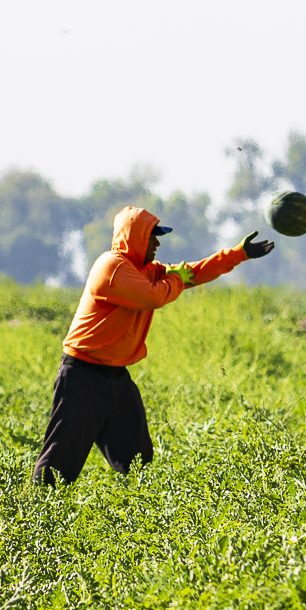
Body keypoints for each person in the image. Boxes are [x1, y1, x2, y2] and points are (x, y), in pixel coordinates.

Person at [33, 207, 273, 485]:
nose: (158, 244)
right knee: (61, 459)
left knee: (137, 456)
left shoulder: (146, 270)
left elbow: (191, 273)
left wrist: (237, 255)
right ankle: (39, 511)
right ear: (134, 238)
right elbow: (152, 297)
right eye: (152, 237)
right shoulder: (112, 267)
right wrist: (177, 279)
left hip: (115, 376)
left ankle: (135, 512)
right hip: (83, 375)